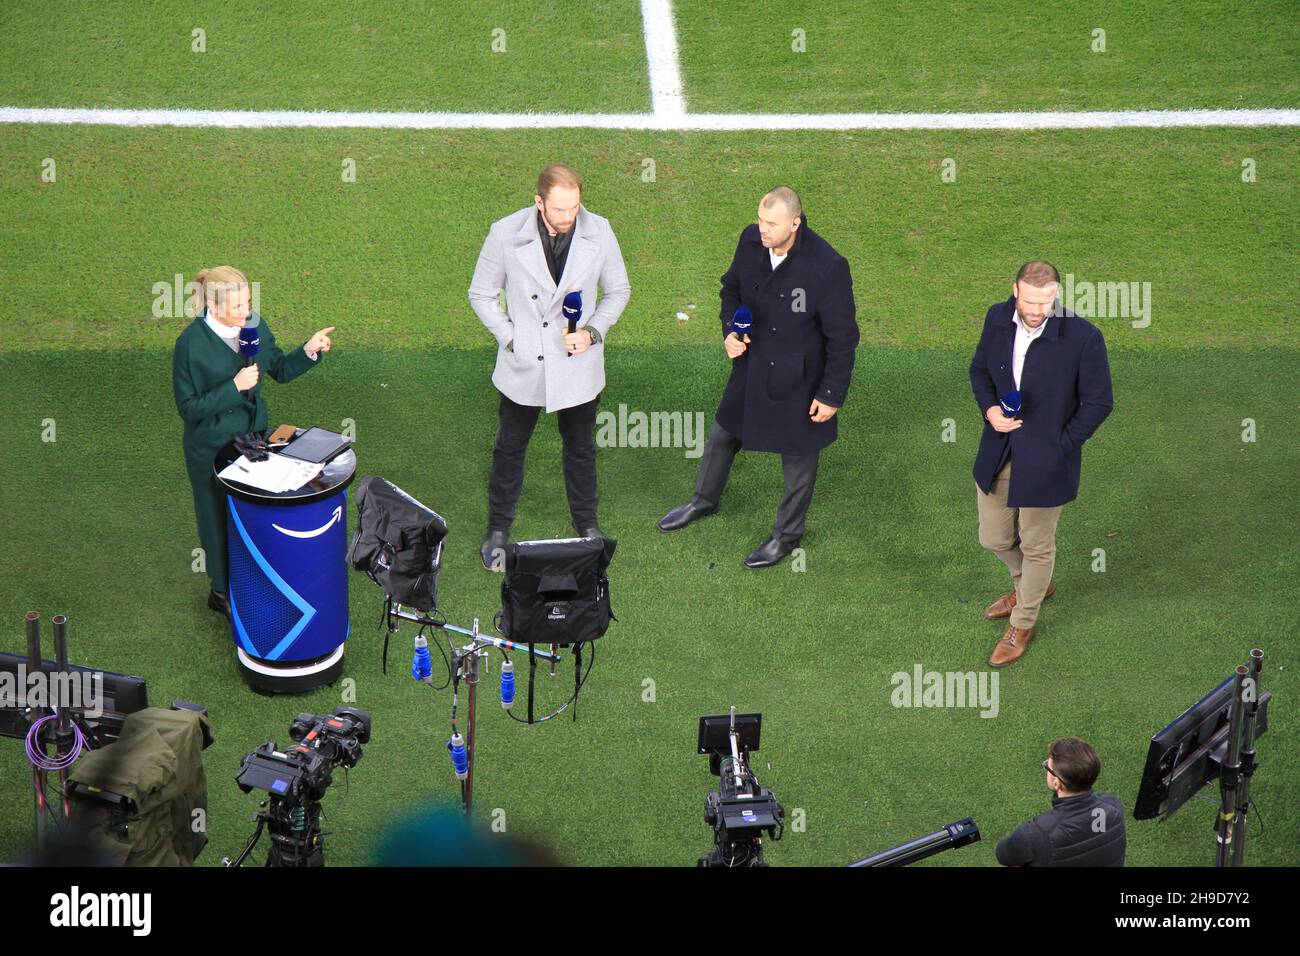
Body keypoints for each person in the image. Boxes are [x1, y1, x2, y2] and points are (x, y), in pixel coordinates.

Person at [657, 186, 858, 568]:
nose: (762, 229)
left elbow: (843, 337)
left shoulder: (827, 266)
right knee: (722, 435)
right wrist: (730, 330)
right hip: (751, 367)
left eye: (772, 223)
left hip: (798, 380)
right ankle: (703, 499)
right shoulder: (750, 241)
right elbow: (731, 289)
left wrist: (831, 394)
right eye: (760, 220)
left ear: (795, 223)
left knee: (799, 460)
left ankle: (786, 537)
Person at [468, 163, 631, 570]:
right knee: (509, 448)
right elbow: (481, 294)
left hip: (578, 364)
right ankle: (498, 530)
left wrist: (593, 331)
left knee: (581, 449)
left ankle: (587, 526)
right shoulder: (504, 233)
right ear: (539, 202)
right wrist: (511, 339)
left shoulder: (600, 230)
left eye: (574, 207)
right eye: (559, 209)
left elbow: (618, 290)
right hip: (524, 364)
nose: (569, 217)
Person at [970, 261, 1113, 667]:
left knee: (1036, 544)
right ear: (1015, 290)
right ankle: (1035, 585)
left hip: (1048, 460)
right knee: (993, 538)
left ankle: (1023, 619)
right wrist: (989, 410)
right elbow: (979, 369)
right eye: (1030, 301)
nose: (1037, 310)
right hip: (999, 447)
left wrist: (1060, 445)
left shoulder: (1084, 337)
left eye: (1046, 301)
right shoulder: (997, 318)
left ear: (1057, 293)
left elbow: (1099, 403)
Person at [172, 267, 335, 618]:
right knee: (217, 519)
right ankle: (221, 591)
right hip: (211, 449)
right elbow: (189, 409)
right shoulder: (190, 344)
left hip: (254, 441)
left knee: (254, 513)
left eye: (248, 302)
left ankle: (256, 578)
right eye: (236, 307)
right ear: (213, 308)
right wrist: (234, 387)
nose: (245, 313)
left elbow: (278, 369)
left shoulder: (255, 325)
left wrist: (308, 351)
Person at [996, 738, 1126, 866]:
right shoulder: (1112, 805)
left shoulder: (1036, 833)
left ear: (1057, 783)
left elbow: (1003, 854)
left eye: (1048, 767)